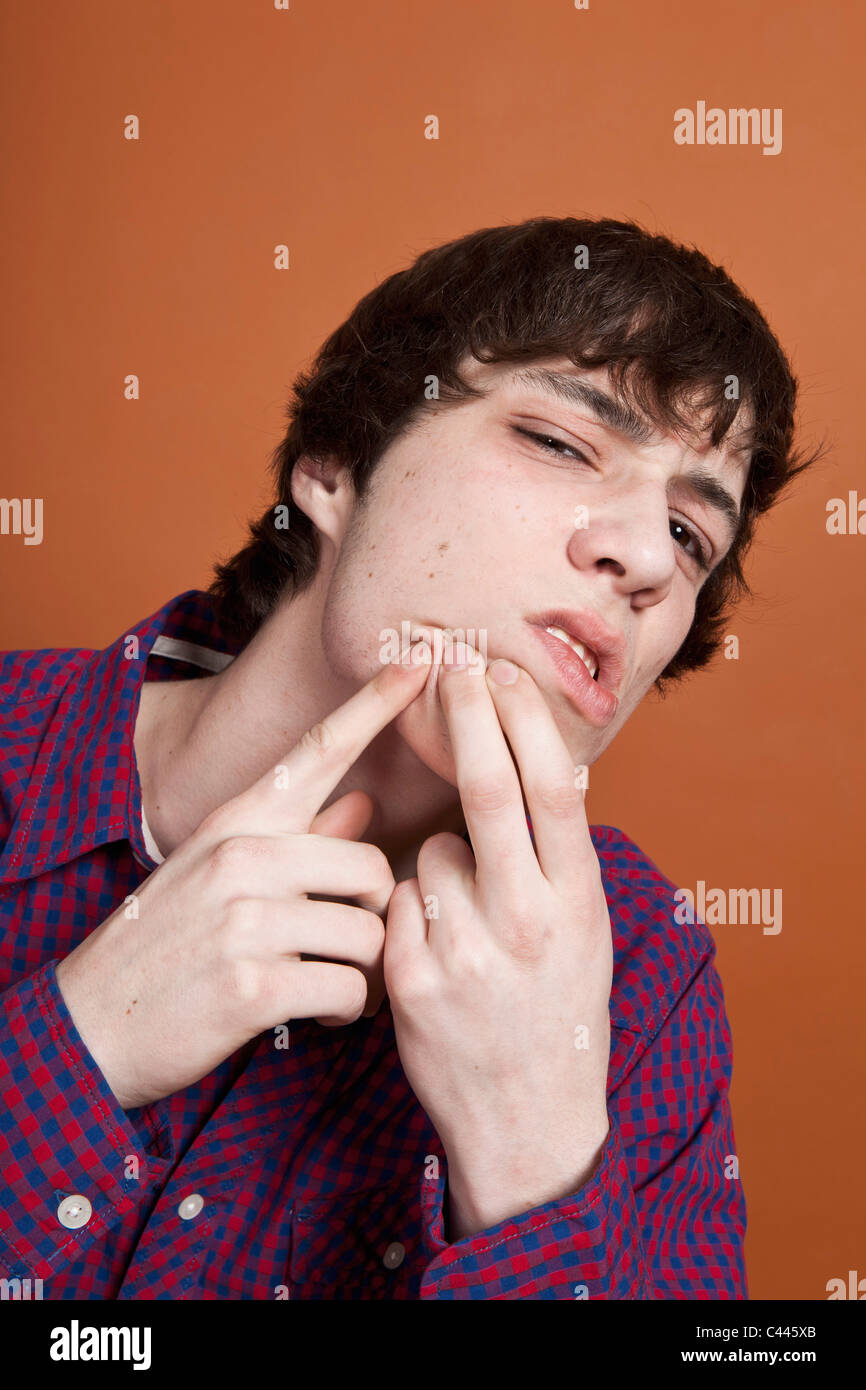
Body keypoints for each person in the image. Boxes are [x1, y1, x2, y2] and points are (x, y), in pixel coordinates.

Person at [0, 216, 819, 1299]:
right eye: (562, 444)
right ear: (336, 466)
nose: (637, 559)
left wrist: (534, 1157)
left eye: (688, 535)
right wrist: (79, 1044)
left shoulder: (644, 980)